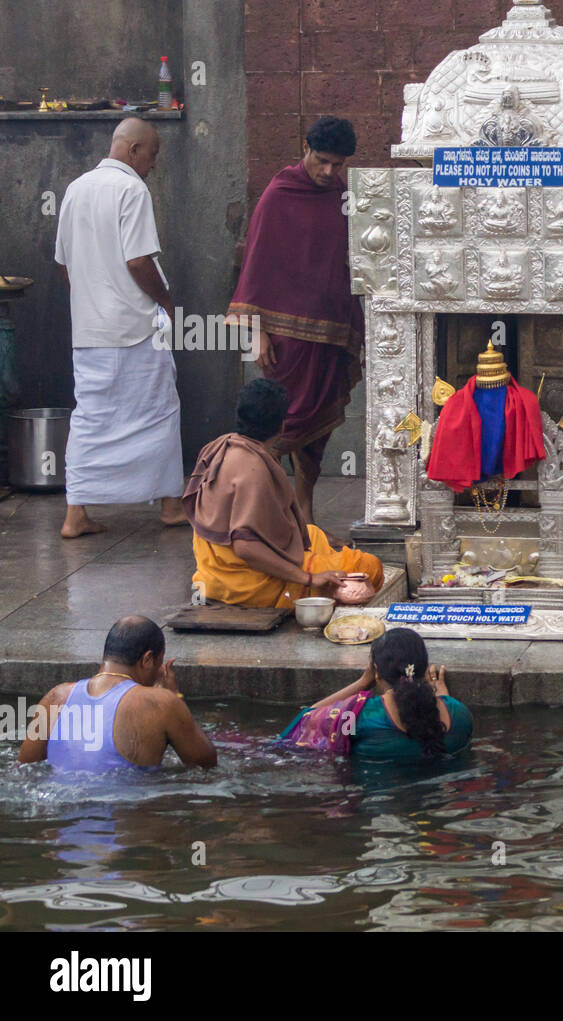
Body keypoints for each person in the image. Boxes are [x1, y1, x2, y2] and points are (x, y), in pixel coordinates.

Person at [226, 116, 363, 524]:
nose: (328, 172)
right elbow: (256, 265)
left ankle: (304, 512)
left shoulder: (340, 193)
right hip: (285, 337)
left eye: (337, 165)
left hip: (330, 332)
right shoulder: (278, 194)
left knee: (318, 431)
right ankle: (245, 503)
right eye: (322, 161)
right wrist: (257, 332)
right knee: (283, 424)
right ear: (305, 148)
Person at [53, 117, 186, 539]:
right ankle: (170, 505)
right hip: (136, 327)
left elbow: (65, 265)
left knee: (91, 417)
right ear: (133, 151)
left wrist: (91, 301)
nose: (154, 164)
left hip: (90, 330)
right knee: (159, 409)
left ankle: (76, 515)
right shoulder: (132, 189)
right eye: (153, 154)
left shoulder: (75, 189)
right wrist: (165, 299)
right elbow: (138, 261)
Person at [185, 378, 383, 608]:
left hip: (212, 573)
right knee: (368, 566)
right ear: (281, 425)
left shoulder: (221, 445)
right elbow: (245, 547)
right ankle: (306, 586)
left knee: (313, 535)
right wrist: (309, 578)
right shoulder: (252, 470)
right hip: (246, 583)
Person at [18, 616, 216, 770]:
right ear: (148, 659)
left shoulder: (56, 697)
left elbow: (25, 766)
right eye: (159, 663)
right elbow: (205, 764)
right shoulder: (161, 703)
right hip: (128, 819)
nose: (160, 672)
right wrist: (175, 697)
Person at [279, 628, 473, 759]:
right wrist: (445, 698)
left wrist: (362, 682)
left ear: (376, 671)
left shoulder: (354, 717)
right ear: (423, 670)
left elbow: (303, 723)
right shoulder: (460, 714)